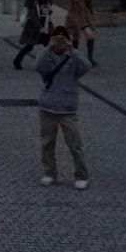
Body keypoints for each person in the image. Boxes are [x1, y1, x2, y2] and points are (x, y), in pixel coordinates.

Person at [34, 27, 91, 188]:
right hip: (48, 106)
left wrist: (71, 48)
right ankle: (49, 173)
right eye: (56, 40)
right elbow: (37, 66)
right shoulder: (47, 56)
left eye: (62, 40)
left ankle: (81, 175)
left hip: (67, 108)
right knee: (47, 143)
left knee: (75, 144)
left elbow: (86, 66)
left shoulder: (72, 57)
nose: (59, 44)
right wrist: (48, 47)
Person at [14, 0, 51, 69]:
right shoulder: (34, 2)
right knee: (29, 46)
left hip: (44, 25)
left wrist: (49, 9)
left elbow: (48, 13)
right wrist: (39, 27)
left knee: (48, 44)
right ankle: (17, 60)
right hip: (33, 28)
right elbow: (33, 16)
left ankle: (50, 63)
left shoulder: (46, 0)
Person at [63, 0, 95, 67]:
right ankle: (74, 58)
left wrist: (91, 16)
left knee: (90, 36)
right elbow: (72, 8)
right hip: (74, 17)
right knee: (75, 38)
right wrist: (73, 20)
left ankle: (90, 58)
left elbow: (89, 5)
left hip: (84, 17)